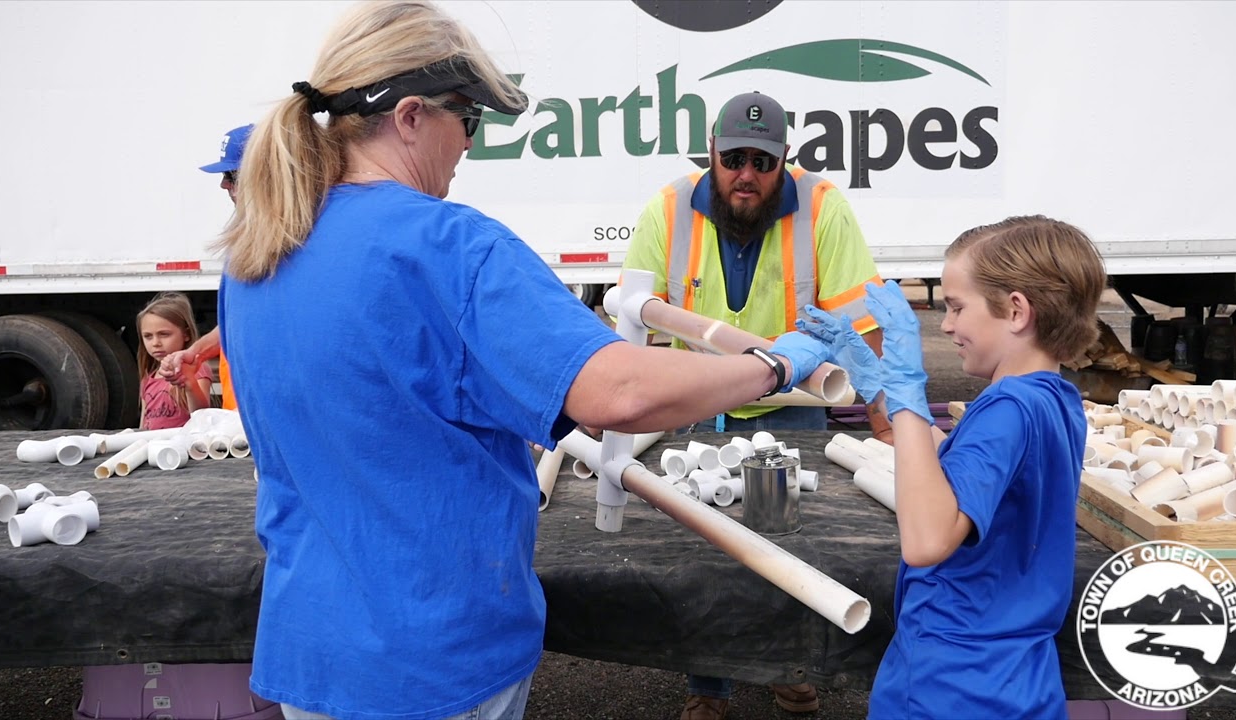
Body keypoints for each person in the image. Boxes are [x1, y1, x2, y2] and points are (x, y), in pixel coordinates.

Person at [212, 3, 838, 719]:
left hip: (315, 651)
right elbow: (620, 393)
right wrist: (775, 365)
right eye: (468, 118)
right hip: (435, 660)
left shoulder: (256, 252)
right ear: (411, 116)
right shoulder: (449, 246)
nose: (471, 144)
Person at [621, 91, 889, 718]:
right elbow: (634, 329)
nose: (746, 174)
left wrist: (885, 421)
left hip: (793, 400)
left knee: (789, 540)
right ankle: (707, 686)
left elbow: (865, 326)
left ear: (785, 160)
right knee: (700, 546)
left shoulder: (823, 207)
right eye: (734, 158)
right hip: (694, 399)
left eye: (762, 162)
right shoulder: (668, 209)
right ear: (712, 153)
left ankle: (787, 669)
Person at [802, 216, 1106, 718]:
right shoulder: (1052, 398)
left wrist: (906, 386)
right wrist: (880, 386)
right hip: (1015, 678)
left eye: (957, 307)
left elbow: (926, 541)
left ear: (1015, 311)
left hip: (952, 683)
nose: (945, 325)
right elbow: (959, 465)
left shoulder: (1005, 409)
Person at [158, 123, 254, 410]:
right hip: (241, 419)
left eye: (231, 175)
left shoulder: (296, 244)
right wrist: (195, 354)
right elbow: (235, 323)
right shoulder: (246, 241)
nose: (224, 185)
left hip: (267, 422)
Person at [135, 292, 213, 430]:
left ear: (186, 334)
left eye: (164, 334)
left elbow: (202, 415)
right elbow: (144, 425)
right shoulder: (148, 379)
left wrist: (190, 384)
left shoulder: (196, 368)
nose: (155, 343)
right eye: (148, 336)